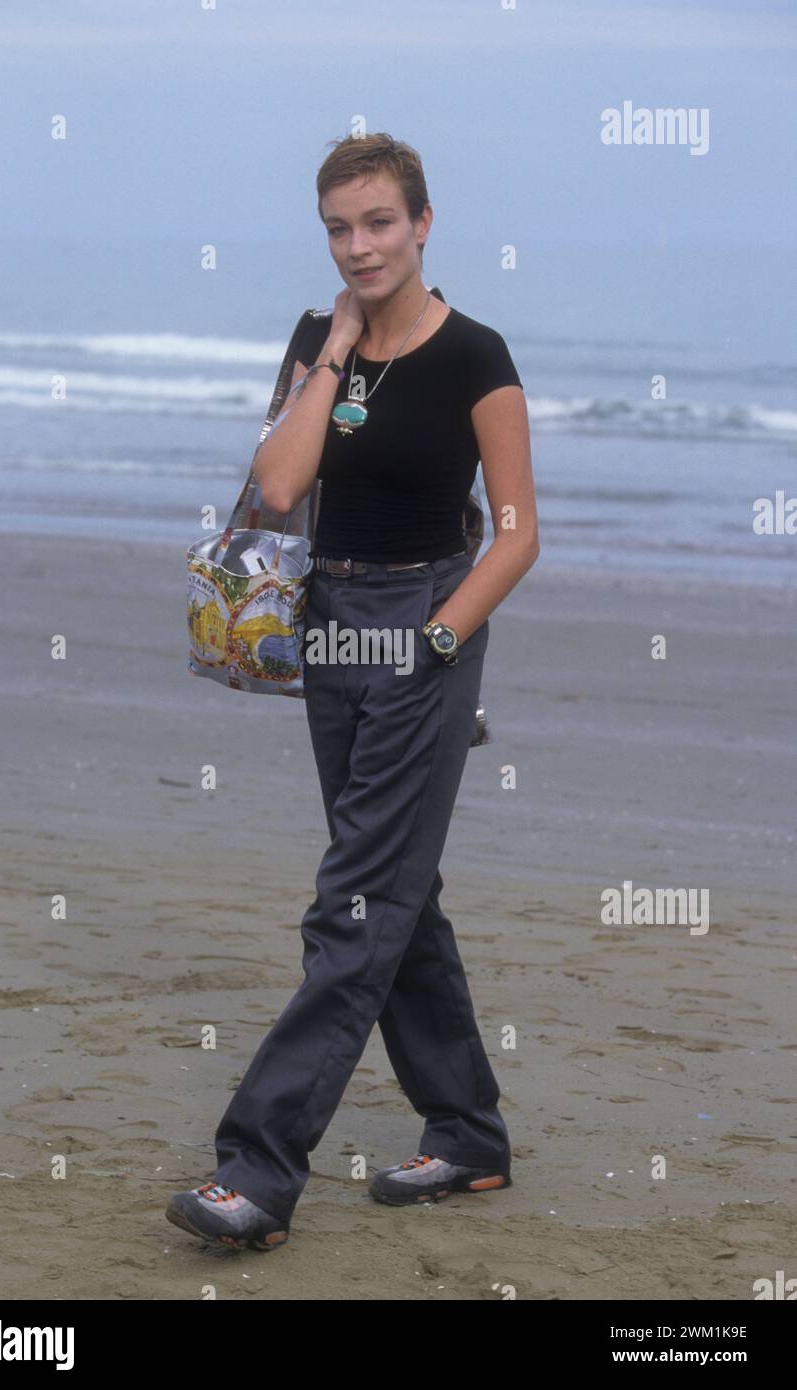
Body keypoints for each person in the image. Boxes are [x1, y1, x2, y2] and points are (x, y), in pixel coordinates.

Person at [166, 132, 539, 1252]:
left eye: (379, 222)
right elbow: (280, 487)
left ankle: (258, 1168)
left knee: (352, 902)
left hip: (428, 628)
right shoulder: (314, 341)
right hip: (327, 623)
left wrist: (435, 641)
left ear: (422, 224)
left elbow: (517, 536)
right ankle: (468, 1130)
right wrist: (333, 351)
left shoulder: (477, 356)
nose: (360, 244)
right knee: (394, 888)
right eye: (340, 227)